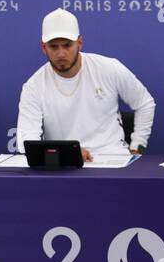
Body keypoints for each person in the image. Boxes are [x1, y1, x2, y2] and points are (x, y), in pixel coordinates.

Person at [16, 9, 155, 162]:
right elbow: (26, 141)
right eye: (54, 47)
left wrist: (137, 147)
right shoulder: (33, 86)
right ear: (44, 48)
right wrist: (68, 154)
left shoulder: (109, 68)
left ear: (79, 43)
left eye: (67, 45)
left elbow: (145, 103)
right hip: (64, 166)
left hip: (114, 160)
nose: (61, 54)